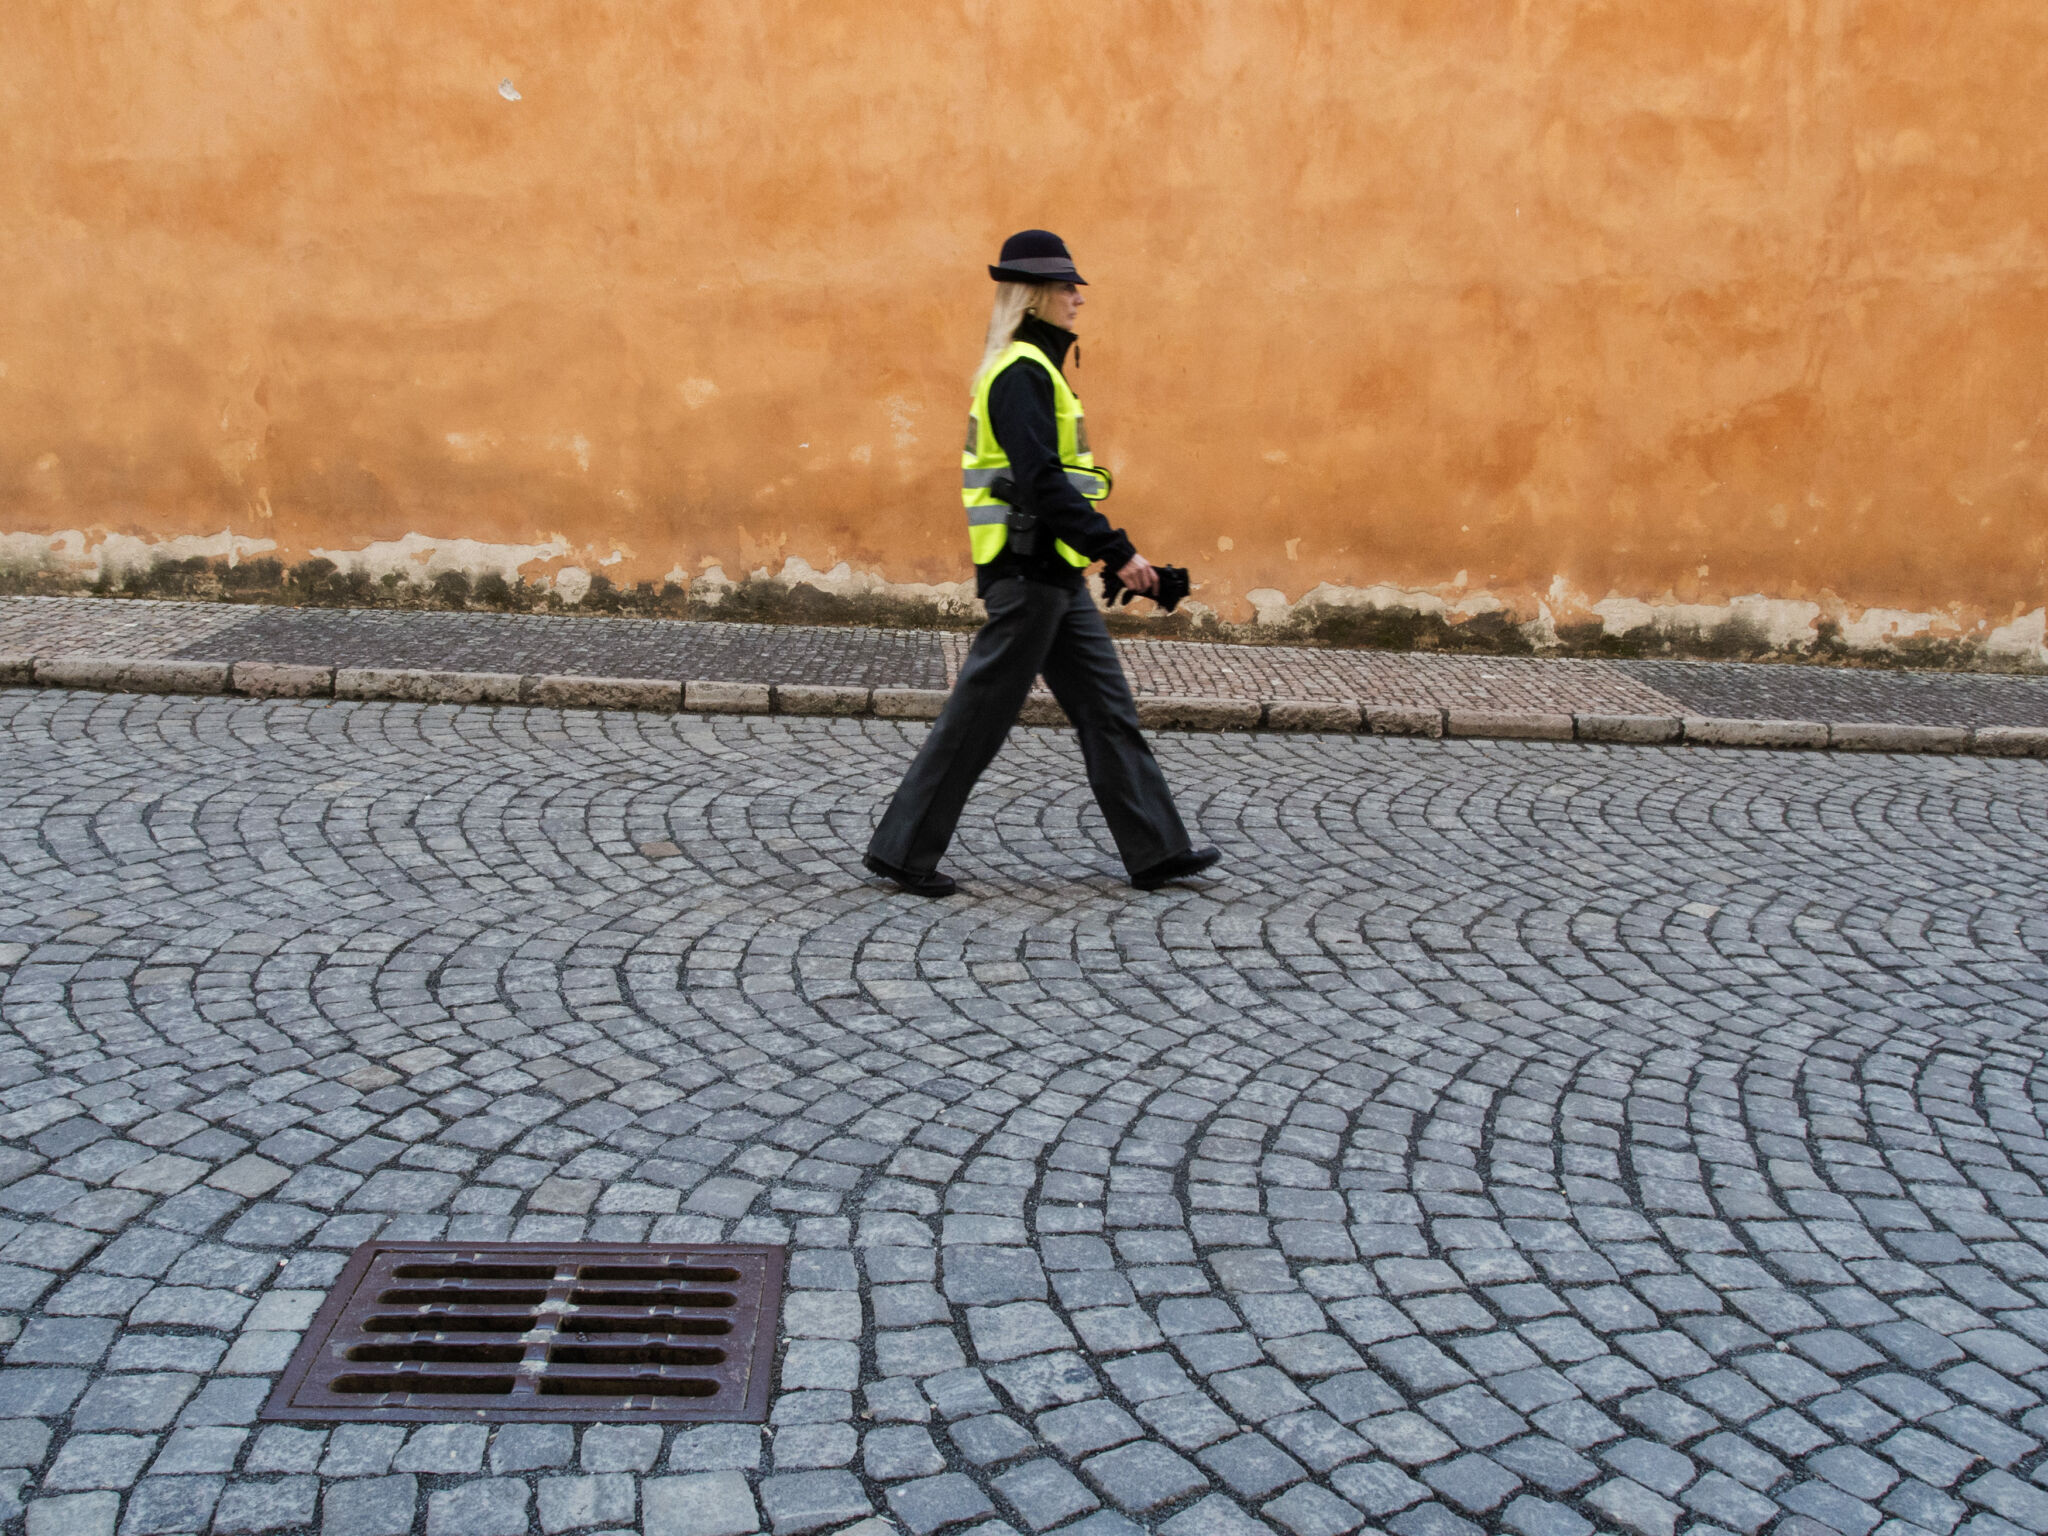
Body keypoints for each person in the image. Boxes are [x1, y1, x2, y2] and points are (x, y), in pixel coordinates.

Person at [863, 230, 1222, 898]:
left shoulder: (1040, 369)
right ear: (1033, 297)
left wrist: (1101, 553)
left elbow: (1055, 484)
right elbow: (1041, 481)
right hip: (1025, 578)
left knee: (1108, 710)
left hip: (1054, 576)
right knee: (977, 720)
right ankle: (903, 852)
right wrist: (1117, 550)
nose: (1078, 297)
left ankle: (1156, 850)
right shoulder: (1021, 373)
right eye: (1065, 286)